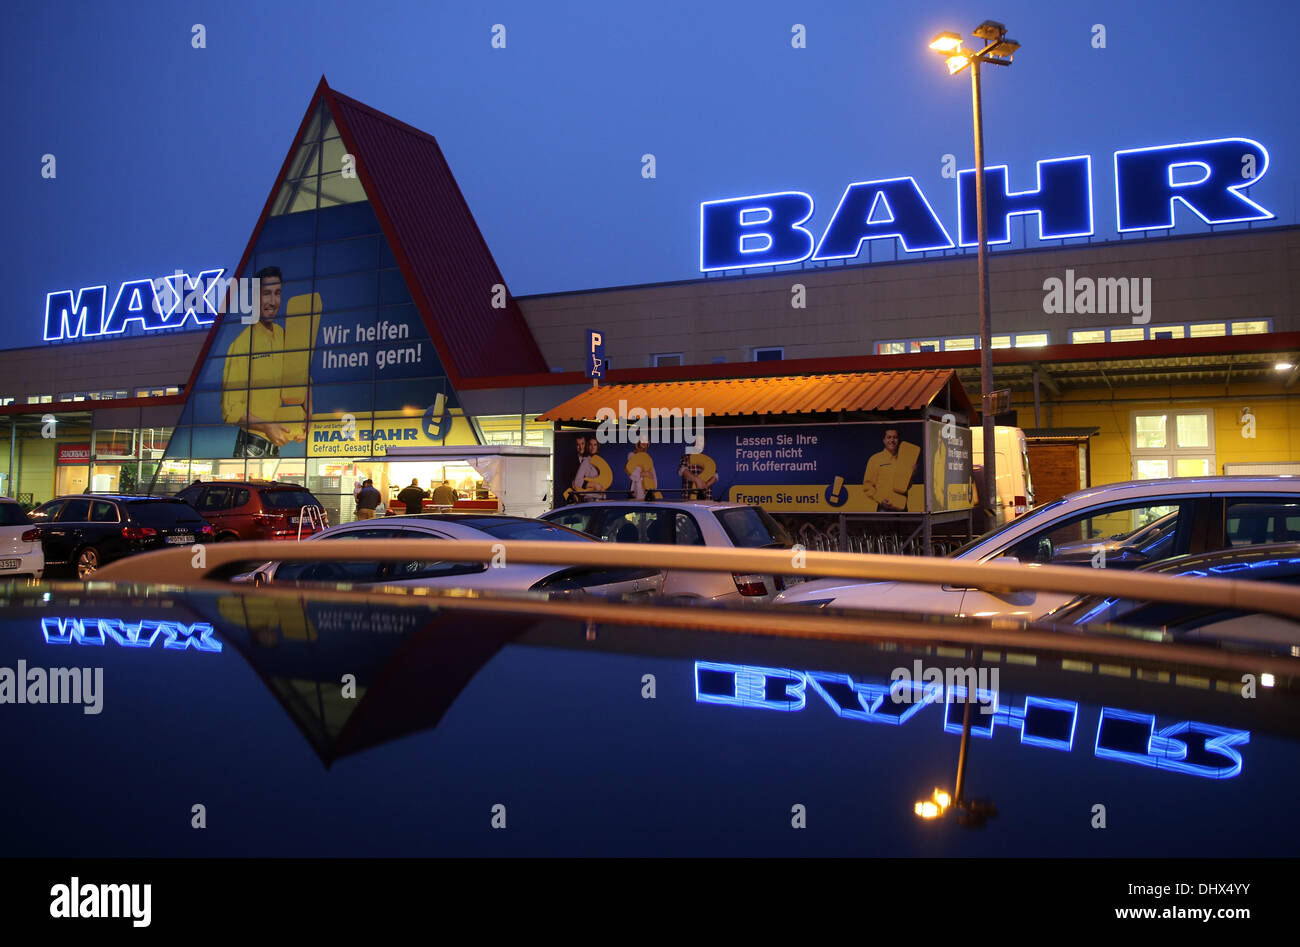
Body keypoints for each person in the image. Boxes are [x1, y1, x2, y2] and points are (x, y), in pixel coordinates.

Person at [220, 266, 315, 458]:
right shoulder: (242, 345)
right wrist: (266, 426)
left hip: (275, 449)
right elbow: (231, 410)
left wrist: (308, 420)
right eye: (266, 294)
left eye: (277, 293)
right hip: (251, 448)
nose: (273, 301)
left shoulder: (284, 336)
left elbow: (303, 380)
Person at [862, 427, 919, 512]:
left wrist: (911, 474)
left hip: (901, 507)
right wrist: (881, 500)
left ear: (898, 440)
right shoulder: (875, 459)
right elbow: (867, 486)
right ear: (884, 440)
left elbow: (907, 486)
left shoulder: (905, 460)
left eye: (895, 437)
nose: (892, 440)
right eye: (889, 437)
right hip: (883, 508)